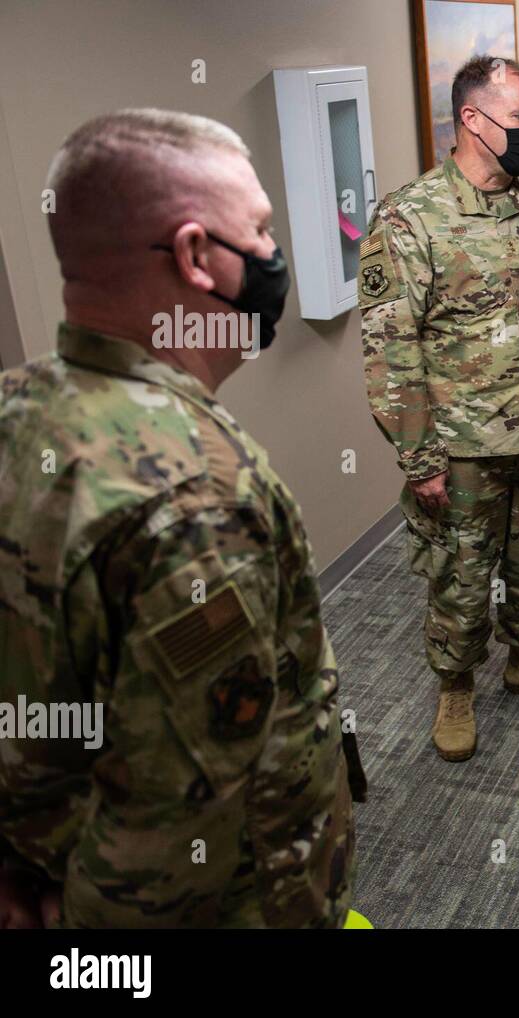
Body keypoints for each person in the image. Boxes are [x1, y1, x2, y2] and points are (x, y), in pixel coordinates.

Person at [0, 109, 363, 928]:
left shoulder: (18, 408)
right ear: (199, 257)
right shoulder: (195, 501)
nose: (275, 256)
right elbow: (180, 829)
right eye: (262, 232)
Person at [361, 56, 519, 763]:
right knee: (460, 573)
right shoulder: (412, 217)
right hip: (462, 447)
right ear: (473, 119)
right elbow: (389, 348)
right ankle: (456, 684)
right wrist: (418, 456)